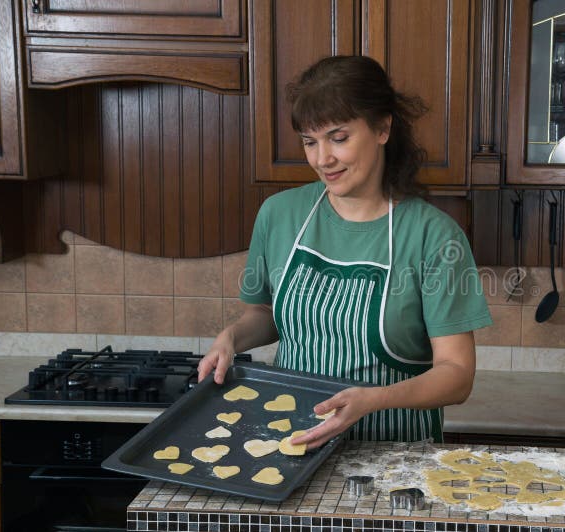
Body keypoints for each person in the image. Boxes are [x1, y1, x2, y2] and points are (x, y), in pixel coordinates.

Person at [198, 55, 491, 448]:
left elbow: (457, 374)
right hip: (294, 442)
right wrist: (231, 338)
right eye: (310, 141)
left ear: (383, 128)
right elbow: (266, 316)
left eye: (338, 138)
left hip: (393, 453)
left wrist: (375, 400)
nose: (323, 159)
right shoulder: (279, 215)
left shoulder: (434, 237)